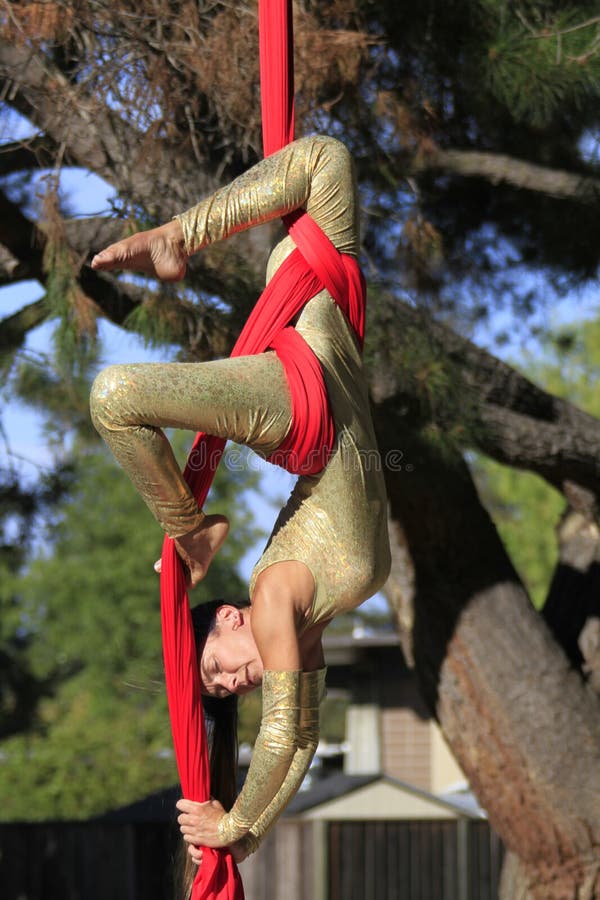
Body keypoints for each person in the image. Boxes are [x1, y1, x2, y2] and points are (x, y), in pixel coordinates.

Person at [89, 134, 391, 866]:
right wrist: (247, 833)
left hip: (304, 401)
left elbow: (281, 731)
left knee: (116, 395)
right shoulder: (303, 623)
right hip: (323, 336)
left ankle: (190, 532)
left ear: (227, 618)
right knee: (323, 160)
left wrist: (230, 824)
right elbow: (306, 735)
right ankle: (177, 239)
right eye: (223, 687)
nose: (232, 681)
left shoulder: (276, 591)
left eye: (214, 667)